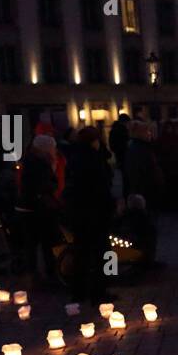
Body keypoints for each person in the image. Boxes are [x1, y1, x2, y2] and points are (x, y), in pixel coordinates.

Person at [63, 126, 114, 303]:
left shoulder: (73, 158)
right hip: (95, 214)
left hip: (79, 214)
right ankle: (100, 290)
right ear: (95, 141)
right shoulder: (94, 159)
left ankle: (78, 291)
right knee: (102, 253)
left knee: (81, 253)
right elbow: (101, 189)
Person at [14, 133, 62, 279]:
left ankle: (34, 275)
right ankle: (48, 273)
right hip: (37, 209)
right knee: (45, 242)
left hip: (30, 207)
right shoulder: (39, 163)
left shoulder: (31, 160)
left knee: (33, 244)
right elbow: (44, 185)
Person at [108, 113, 130, 194]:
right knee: (127, 177)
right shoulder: (123, 130)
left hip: (119, 155)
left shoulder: (113, 130)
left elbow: (112, 145)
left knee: (124, 177)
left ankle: (126, 193)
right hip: (125, 155)